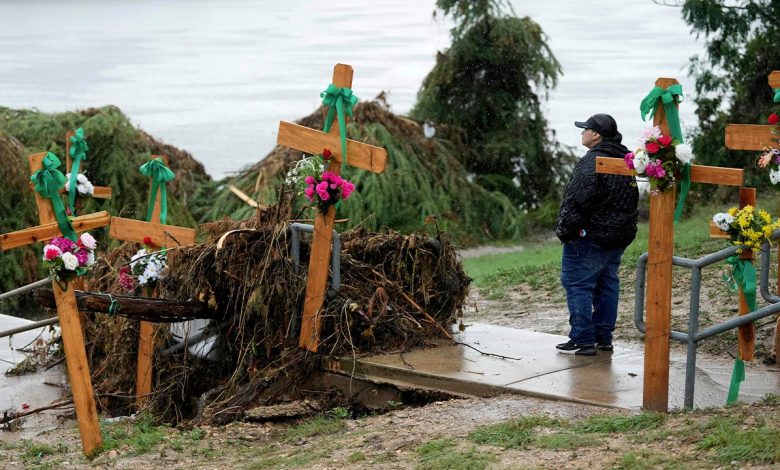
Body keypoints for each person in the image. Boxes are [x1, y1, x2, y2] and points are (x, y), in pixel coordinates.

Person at [555, 114, 638, 356]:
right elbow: (632, 199)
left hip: (589, 237)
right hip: (618, 237)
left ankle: (583, 339)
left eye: (585, 129)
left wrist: (565, 230)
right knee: (607, 285)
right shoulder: (626, 159)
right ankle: (603, 338)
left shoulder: (592, 161)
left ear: (596, 135)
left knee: (577, 284)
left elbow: (577, 200)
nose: (582, 133)